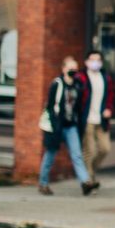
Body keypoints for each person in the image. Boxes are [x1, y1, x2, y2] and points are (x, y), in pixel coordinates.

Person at [38, 56, 92, 196]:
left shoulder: (78, 85)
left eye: (75, 68)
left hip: (71, 125)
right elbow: (50, 106)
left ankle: (85, 183)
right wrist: (54, 126)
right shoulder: (57, 84)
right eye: (70, 68)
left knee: (77, 155)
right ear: (63, 69)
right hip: (56, 125)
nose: (73, 71)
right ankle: (43, 184)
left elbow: (80, 106)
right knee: (50, 155)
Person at [76, 50, 115, 191]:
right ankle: (88, 180)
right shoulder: (81, 77)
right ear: (86, 61)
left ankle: (91, 172)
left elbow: (111, 96)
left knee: (104, 148)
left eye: (98, 59)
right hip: (87, 119)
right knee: (90, 151)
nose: (95, 62)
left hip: (101, 120)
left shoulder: (105, 78)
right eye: (92, 59)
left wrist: (109, 109)